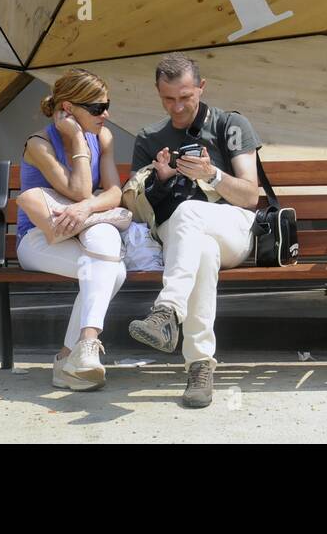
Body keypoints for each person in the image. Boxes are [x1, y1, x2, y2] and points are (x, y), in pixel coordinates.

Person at [126, 53, 262, 409]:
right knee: (200, 248)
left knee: (191, 215)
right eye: (168, 99)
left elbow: (250, 196)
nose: (178, 106)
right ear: (158, 94)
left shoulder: (230, 124)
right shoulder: (149, 137)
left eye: (185, 96)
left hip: (233, 226)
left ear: (201, 88)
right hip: (180, 235)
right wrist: (159, 181)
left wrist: (211, 174)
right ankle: (200, 366)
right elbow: (137, 209)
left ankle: (166, 311)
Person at [15, 68, 132, 391]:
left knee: (107, 260)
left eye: (107, 105)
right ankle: (71, 357)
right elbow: (81, 189)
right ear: (67, 109)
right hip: (40, 237)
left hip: (81, 229)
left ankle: (78, 351)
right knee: (112, 271)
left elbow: (113, 193)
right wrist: (77, 138)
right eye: (96, 108)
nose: (105, 114)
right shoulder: (39, 145)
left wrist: (85, 208)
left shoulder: (104, 137)